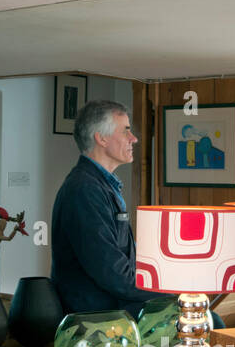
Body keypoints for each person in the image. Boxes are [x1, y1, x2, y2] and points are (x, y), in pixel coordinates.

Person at [51, 100, 159, 314]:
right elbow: (114, 274)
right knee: (209, 324)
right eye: (126, 131)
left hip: (117, 312)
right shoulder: (84, 190)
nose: (134, 139)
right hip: (99, 323)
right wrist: (172, 289)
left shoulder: (100, 186)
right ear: (101, 138)